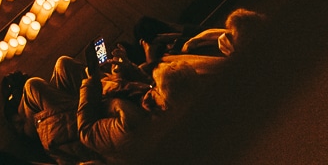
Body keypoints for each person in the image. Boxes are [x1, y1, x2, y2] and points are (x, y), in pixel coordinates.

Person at [14, 52, 197, 163]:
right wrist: (128, 69)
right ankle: (45, 113)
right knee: (64, 65)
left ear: (165, 105)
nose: (151, 90)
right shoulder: (170, 101)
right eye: (154, 85)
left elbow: (87, 132)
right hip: (99, 103)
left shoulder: (133, 129)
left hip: (81, 135)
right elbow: (146, 85)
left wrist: (90, 83)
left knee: (33, 86)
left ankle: (27, 129)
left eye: (156, 90)